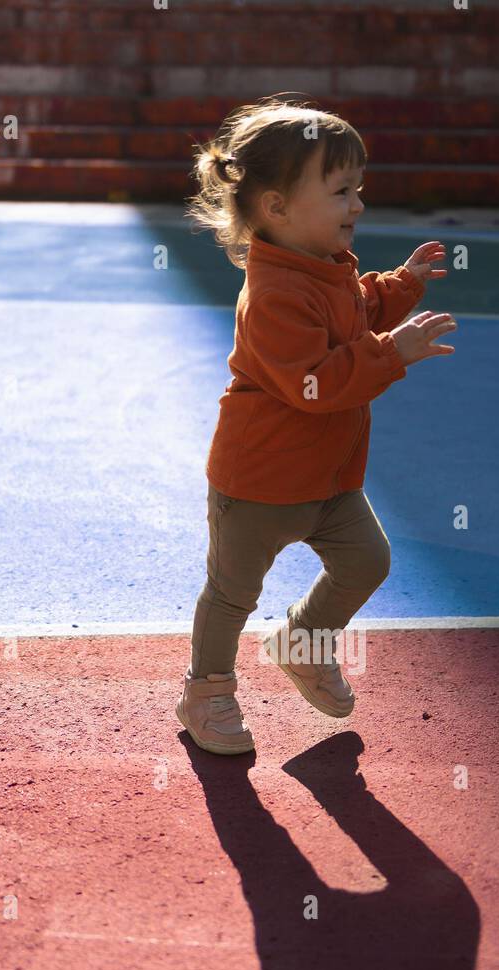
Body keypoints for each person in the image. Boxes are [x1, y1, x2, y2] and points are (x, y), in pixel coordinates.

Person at [178, 93, 456, 754]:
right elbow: (316, 384)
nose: (357, 205)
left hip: (328, 478)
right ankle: (207, 691)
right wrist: (394, 353)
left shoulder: (323, 268)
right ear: (276, 208)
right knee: (231, 595)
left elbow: (354, 308)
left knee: (368, 561)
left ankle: (304, 641)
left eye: (357, 189)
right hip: (259, 482)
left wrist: (401, 287)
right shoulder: (273, 294)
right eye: (340, 191)